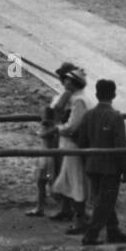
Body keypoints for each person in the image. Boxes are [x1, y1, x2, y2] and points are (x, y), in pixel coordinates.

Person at [78, 79, 126, 245]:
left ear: (96, 94)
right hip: (110, 167)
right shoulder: (115, 117)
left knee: (102, 200)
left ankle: (113, 230)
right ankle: (91, 234)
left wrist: (87, 160)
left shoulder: (88, 115)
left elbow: (82, 142)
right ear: (114, 95)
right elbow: (120, 146)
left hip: (92, 164)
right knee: (105, 203)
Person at [27, 61, 76, 217]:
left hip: (58, 136)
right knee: (46, 174)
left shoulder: (70, 96)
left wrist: (50, 121)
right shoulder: (66, 95)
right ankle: (44, 207)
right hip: (54, 134)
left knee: (58, 173)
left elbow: (59, 113)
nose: (62, 79)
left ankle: (64, 208)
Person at [50, 67, 91, 233]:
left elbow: (73, 125)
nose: (64, 82)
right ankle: (68, 212)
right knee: (67, 179)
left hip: (74, 145)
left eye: (67, 80)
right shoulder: (75, 98)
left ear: (74, 83)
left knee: (76, 181)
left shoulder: (79, 100)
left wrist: (59, 129)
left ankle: (80, 220)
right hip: (69, 145)